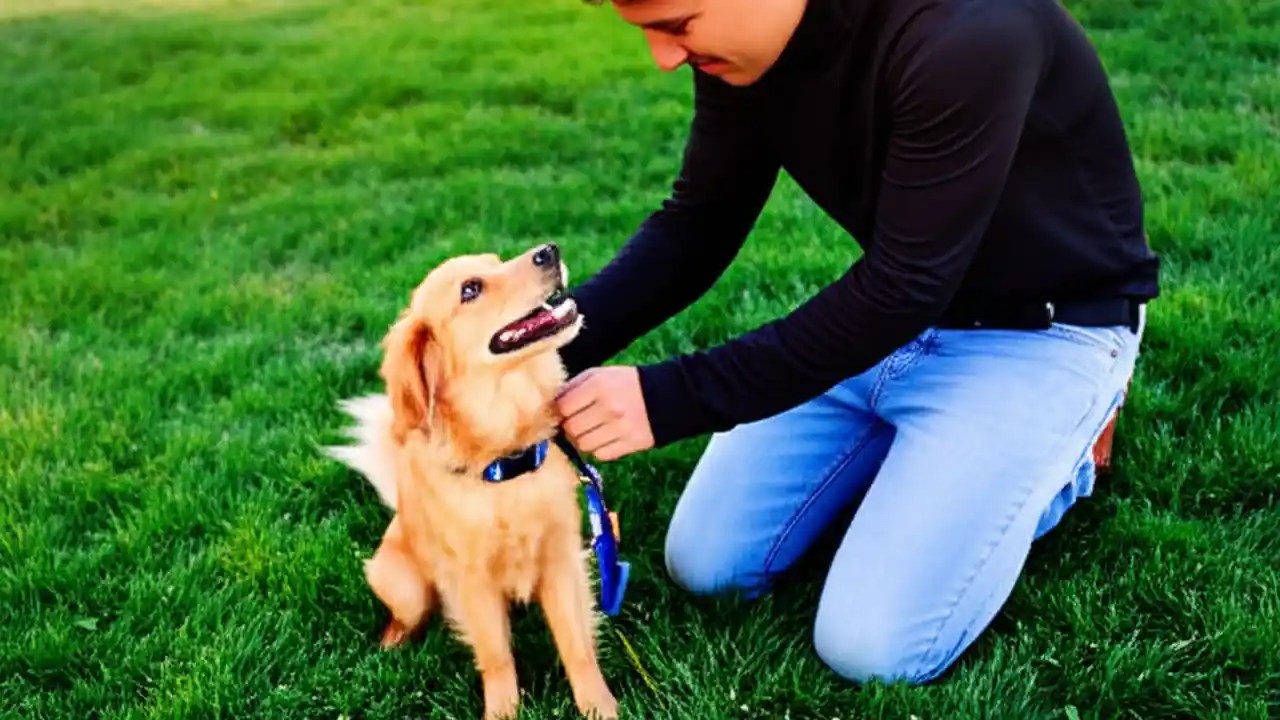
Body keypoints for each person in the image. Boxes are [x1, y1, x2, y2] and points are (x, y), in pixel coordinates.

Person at [553, 0, 1160, 685]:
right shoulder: (739, 47)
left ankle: (1072, 443)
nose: (663, 57)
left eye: (678, 23)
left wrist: (666, 400)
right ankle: (917, 466)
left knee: (870, 647)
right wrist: (533, 355)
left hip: (1042, 333)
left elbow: (904, 287)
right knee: (708, 564)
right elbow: (698, 224)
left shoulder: (969, 30)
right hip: (890, 318)